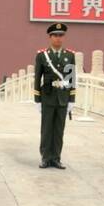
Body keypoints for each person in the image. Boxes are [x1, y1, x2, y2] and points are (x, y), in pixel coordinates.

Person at [33, 22, 76, 169]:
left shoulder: (70, 56)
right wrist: (37, 100)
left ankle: (56, 158)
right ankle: (45, 158)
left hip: (63, 98)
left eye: (61, 35)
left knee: (59, 130)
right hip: (48, 97)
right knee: (46, 130)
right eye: (55, 35)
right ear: (50, 37)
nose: (58, 38)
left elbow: (72, 79)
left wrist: (72, 99)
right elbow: (37, 79)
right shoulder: (42, 56)